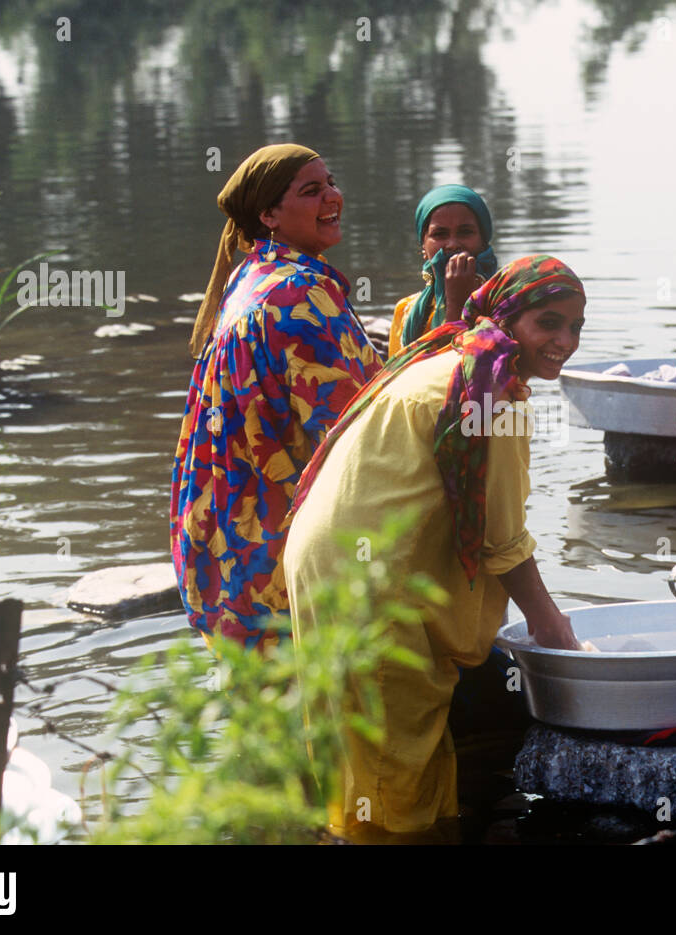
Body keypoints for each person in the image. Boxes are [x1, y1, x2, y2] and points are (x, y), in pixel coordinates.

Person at [283, 255, 583, 837]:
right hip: (368, 576)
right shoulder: (489, 392)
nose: (564, 341)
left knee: (356, 748)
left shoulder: (454, 355)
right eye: (549, 323)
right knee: (392, 763)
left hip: (329, 558)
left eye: (575, 327)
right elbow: (503, 542)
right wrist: (556, 634)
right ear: (510, 316)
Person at [170, 144, 382, 650]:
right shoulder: (299, 296)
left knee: (266, 715)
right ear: (268, 215)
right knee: (325, 715)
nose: (332, 197)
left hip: (226, 553)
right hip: (282, 553)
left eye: (330, 182)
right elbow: (358, 435)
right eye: (311, 191)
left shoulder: (253, 276)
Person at [386, 184, 498, 356]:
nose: (453, 244)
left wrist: (459, 304)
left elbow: (473, 370)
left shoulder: (505, 303)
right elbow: (398, 377)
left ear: (483, 240)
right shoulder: (407, 312)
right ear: (423, 245)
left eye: (465, 232)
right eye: (440, 234)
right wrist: (454, 301)